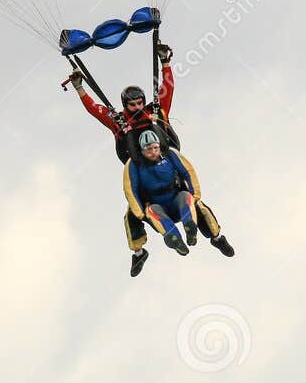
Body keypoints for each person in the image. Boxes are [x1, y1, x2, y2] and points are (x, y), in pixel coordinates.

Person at [70, 43, 232, 274]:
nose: (136, 108)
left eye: (138, 103)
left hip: (173, 187)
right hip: (149, 194)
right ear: (125, 105)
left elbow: (168, 88)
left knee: (199, 205)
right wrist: (80, 89)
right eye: (131, 105)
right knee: (130, 216)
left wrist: (165, 62)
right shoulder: (119, 122)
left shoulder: (155, 112)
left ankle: (216, 237)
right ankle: (138, 252)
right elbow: (96, 110)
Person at [124, 128, 234, 259]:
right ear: (142, 151)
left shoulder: (170, 154)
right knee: (133, 215)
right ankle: (143, 252)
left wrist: (195, 194)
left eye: (155, 148)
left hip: (176, 200)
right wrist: (140, 213)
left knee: (194, 203)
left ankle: (215, 238)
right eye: (148, 150)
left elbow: (188, 171)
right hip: (156, 206)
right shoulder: (134, 164)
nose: (153, 152)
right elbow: (131, 189)